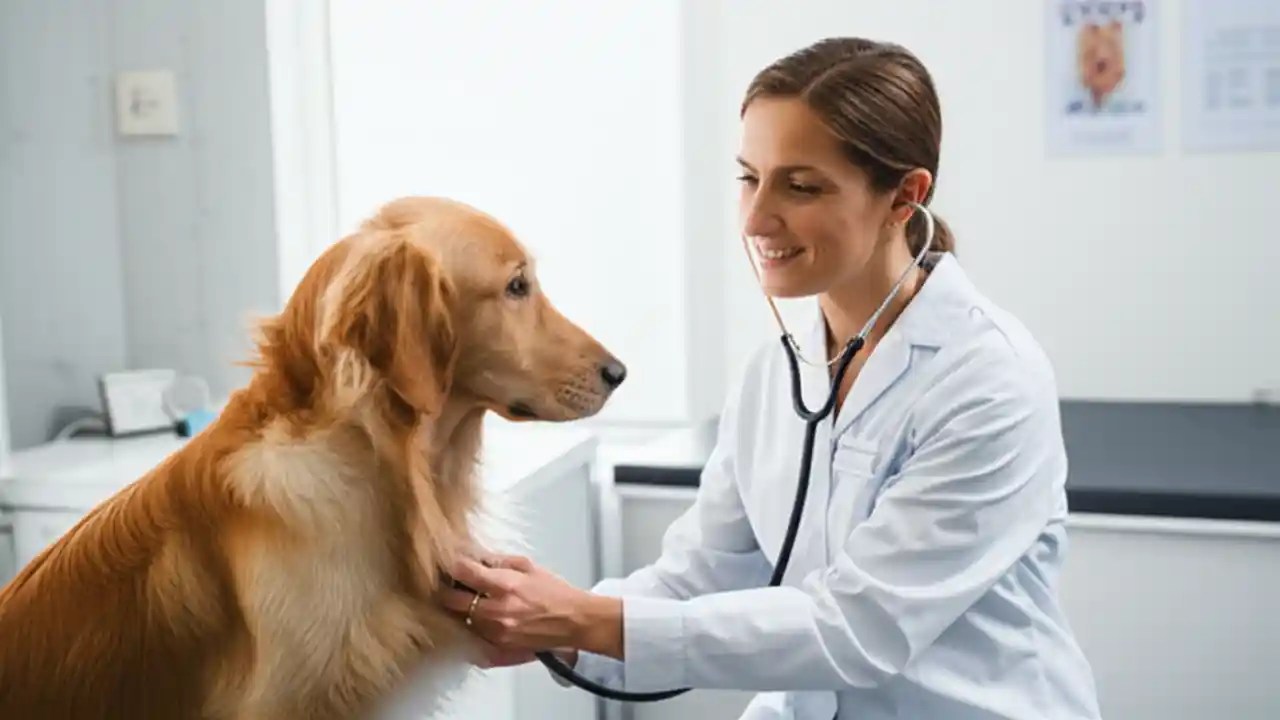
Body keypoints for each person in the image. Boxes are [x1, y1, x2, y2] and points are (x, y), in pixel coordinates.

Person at [440, 36, 1103, 719]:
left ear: (905, 196)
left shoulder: (987, 379)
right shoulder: (776, 376)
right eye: (749, 177)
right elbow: (700, 577)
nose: (756, 219)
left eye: (801, 185)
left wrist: (582, 619)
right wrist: (558, 632)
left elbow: (858, 631)